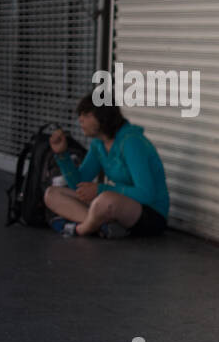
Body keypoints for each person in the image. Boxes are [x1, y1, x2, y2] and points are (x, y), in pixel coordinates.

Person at [44, 95, 170, 239]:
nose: (80, 120)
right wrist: (62, 155)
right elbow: (78, 185)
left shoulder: (131, 142)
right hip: (118, 208)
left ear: (103, 116)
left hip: (150, 214)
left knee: (105, 199)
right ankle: (103, 227)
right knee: (52, 194)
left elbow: (146, 194)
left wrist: (101, 189)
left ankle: (80, 229)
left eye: (87, 115)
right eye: (80, 115)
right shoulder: (98, 145)